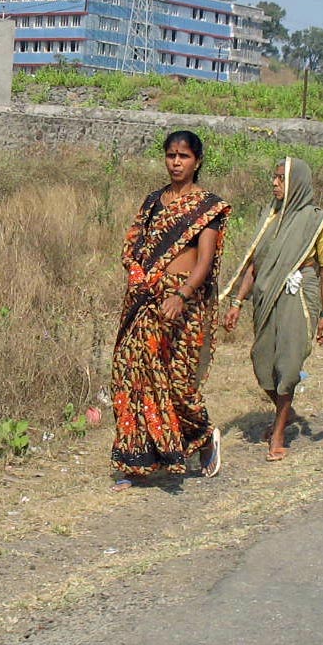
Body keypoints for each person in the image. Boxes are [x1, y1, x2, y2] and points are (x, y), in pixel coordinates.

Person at [111, 130, 230, 489]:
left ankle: (204, 436)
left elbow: (204, 262)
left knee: (177, 385)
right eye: (171, 155)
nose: (176, 163)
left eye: (184, 156)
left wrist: (181, 294)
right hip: (144, 302)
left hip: (183, 303)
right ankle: (136, 462)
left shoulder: (206, 207)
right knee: (131, 373)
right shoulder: (152, 203)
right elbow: (132, 249)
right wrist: (138, 277)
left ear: (197, 161)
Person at [222, 157, 323, 462]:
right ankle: (285, 410)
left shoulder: (315, 219)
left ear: (295, 183)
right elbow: (254, 266)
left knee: (288, 363)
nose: (274, 183)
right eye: (274, 178)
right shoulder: (269, 217)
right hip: (265, 296)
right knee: (262, 362)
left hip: (298, 294)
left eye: (280, 179)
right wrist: (236, 302)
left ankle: (280, 432)